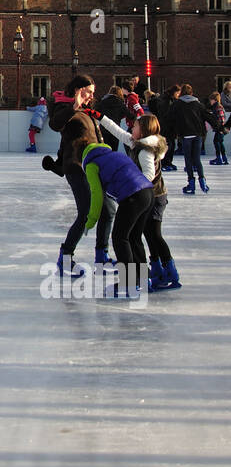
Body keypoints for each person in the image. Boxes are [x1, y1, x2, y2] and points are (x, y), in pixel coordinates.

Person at [98, 109, 181, 292]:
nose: (131, 127)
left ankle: (165, 272)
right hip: (148, 195)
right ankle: (151, 275)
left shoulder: (144, 150)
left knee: (150, 235)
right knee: (139, 236)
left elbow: (149, 175)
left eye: (134, 126)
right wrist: (101, 117)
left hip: (151, 196)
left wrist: (131, 184)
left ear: (142, 130)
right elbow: (119, 132)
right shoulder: (138, 143)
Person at [43, 73, 115, 277]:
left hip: (96, 166)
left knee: (109, 210)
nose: (92, 96)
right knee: (85, 213)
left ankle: (101, 256)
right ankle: (65, 258)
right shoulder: (64, 108)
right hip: (77, 167)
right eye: (88, 92)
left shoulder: (88, 111)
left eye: (93, 92)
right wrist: (73, 106)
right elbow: (55, 124)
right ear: (77, 90)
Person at [79, 137, 155, 301]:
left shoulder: (92, 165)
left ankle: (128, 283)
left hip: (132, 197)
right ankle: (144, 279)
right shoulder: (116, 155)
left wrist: (90, 221)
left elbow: (97, 196)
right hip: (148, 192)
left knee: (120, 238)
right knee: (134, 238)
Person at [170, 84, 220, 194]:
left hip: (185, 134)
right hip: (198, 134)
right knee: (197, 159)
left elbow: (170, 118)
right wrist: (218, 127)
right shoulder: (198, 104)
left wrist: (169, 132)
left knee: (188, 159)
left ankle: (191, 184)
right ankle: (202, 181)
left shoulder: (176, 104)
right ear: (192, 93)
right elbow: (208, 116)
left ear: (182, 93)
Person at [206, 91, 228, 166]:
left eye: (211, 100)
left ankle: (219, 158)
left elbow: (221, 119)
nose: (210, 102)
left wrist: (220, 128)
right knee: (220, 142)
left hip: (220, 129)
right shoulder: (217, 106)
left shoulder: (217, 106)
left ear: (214, 100)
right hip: (220, 128)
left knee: (216, 142)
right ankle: (224, 158)